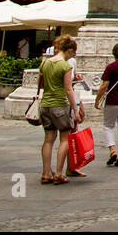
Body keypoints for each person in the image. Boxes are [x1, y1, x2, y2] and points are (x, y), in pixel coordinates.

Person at [37, 36, 82, 185]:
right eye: (72, 53)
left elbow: (41, 84)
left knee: (48, 139)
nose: (72, 56)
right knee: (64, 139)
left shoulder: (45, 63)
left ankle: (45, 173)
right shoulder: (65, 66)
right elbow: (68, 89)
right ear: (69, 50)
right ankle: (58, 173)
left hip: (45, 105)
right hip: (59, 105)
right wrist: (75, 109)